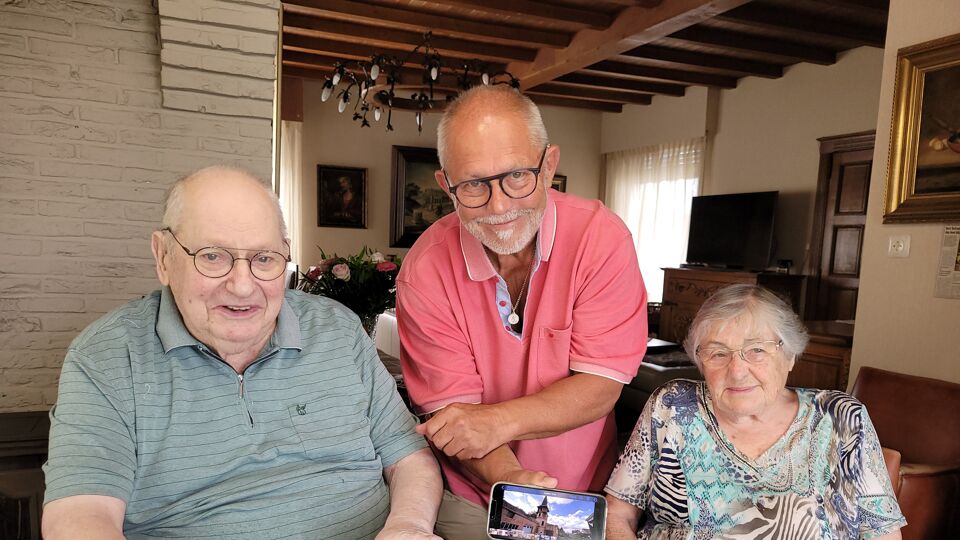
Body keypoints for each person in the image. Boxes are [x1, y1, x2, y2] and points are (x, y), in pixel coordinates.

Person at [42, 166, 442, 539]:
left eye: (264, 259)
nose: (242, 286)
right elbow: (80, 515)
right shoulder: (107, 356)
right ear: (163, 257)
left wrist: (408, 526)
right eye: (212, 256)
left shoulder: (337, 329)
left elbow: (408, 455)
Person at [397, 85, 648, 539]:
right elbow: (457, 419)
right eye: (473, 185)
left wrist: (497, 421)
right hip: (474, 492)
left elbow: (599, 389)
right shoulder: (425, 268)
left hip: (584, 491)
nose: (498, 207)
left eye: (516, 176)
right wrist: (515, 486)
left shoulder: (601, 239)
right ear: (446, 186)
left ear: (549, 166)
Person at [605, 284, 905, 539]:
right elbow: (618, 512)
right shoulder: (672, 406)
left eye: (757, 350)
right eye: (718, 353)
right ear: (700, 360)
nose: (737, 371)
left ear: (790, 355)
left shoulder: (840, 417)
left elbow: (883, 533)